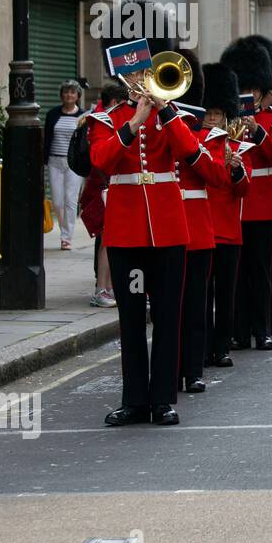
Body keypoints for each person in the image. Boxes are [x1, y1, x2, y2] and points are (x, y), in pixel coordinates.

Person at [89, 39, 199, 427]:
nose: (142, 80)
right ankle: (135, 400)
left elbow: (190, 152)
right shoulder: (106, 119)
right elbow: (101, 161)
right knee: (132, 318)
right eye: (135, 74)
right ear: (124, 77)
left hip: (168, 230)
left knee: (169, 315)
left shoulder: (174, 115)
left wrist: (166, 111)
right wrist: (134, 121)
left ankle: (163, 400)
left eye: (146, 73)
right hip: (126, 233)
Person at [220, 35, 272, 351]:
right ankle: (238, 329)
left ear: (259, 91)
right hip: (234, 204)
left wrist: (257, 131)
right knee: (235, 274)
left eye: (250, 89)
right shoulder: (226, 119)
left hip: (261, 204)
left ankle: (261, 328)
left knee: (260, 270)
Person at [172, 52, 233, 394]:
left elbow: (217, 177)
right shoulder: (162, 125)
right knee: (169, 307)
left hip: (195, 229)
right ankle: (171, 367)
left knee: (195, 305)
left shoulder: (208, 136)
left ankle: (192, 369)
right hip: (163, 227)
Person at [202, 63, 249, 368]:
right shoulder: (193, 145)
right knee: (203, 297)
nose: (212, 120)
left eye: (217, 115)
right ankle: (204, 347)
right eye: (208, 115)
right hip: (203, 230)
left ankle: (222, 347)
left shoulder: (233, 147)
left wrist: (235, 168)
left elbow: (244, 189)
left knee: (226, 294)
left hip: (229, 230)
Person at [79, 82, 125, 308]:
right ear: (116, 103)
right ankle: (102, 289)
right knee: (108, 240)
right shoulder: (102, 120)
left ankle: (109, 286)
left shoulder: (101, 116)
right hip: (104, 186)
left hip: (105, 185)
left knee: (109, 240)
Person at [44, 80, 86, 250]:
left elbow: (84, 141)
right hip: (54, 161)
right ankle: (64, 230)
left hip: (73, 163)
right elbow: (46, 138)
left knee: (70, 199)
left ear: (77, 96)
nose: (69, 95)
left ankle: (66, 237)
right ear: (62, 95)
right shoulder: (53, 114)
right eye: (66, 92)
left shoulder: (83, 116)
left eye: (73, 92)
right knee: (57, 201)